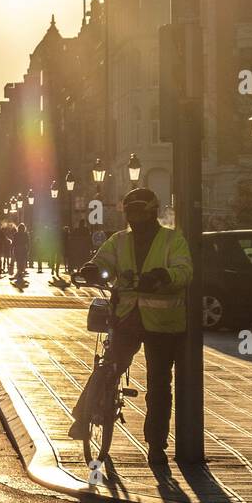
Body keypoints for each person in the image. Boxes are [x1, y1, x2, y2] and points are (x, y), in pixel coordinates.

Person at [68, 187, 193, 467]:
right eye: (131, 213)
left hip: (163, 323)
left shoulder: (173, 240)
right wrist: (92, 268)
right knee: (109, 364)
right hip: (127, 315)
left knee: (159, 383)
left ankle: (156, 444)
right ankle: (83, 415)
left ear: (151, 213)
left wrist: (164, 276)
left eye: (139, 212)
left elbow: (184, 271)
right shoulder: (119, 240)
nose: (134, 218)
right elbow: (104, 260)